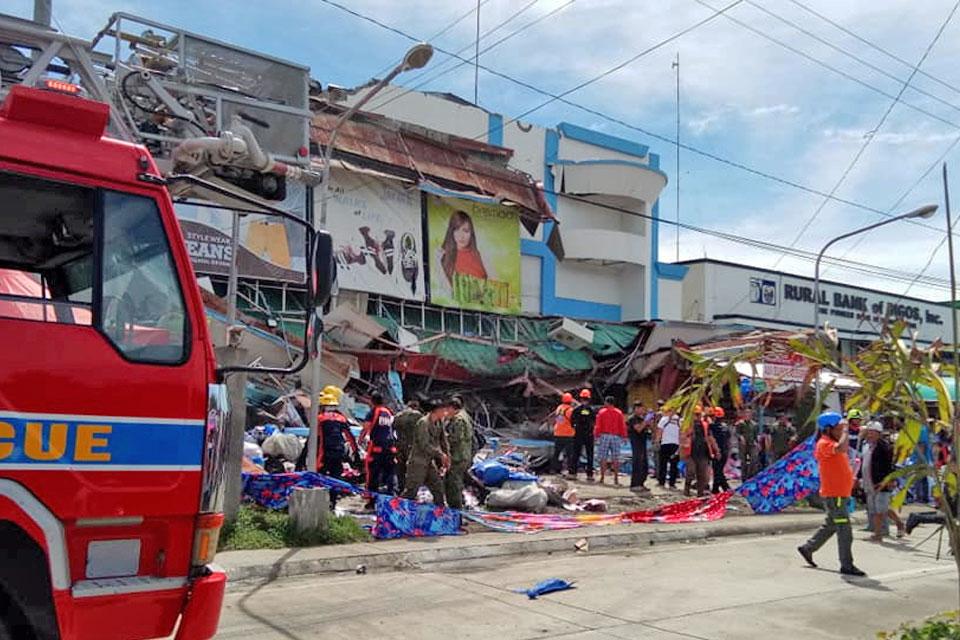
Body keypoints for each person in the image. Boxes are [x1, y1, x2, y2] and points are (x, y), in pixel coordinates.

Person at [797, 412, 866, 577]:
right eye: (839, 428)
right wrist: (847, 431)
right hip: (835, 496)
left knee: (831, 525)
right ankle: (847, 565)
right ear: (828, 429)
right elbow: (842, 447)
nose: (841, 431)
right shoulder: (824, 443)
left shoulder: (830, 442)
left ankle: (808, 548)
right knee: (845, 530)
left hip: (840, 494)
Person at [402, 397, 453, 506]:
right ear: (437, 410)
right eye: (443, 410)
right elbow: (424, 444)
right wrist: (440, 454)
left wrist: (447, 456)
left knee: (438, 488)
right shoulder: (423, 423)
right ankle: (399, 513)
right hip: (418, 462)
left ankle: (441, 513)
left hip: (429, 462)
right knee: (411, 491)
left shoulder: (439, 422)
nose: (445, 413)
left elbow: (443, 440)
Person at [313, 392, 358, 509]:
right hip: (339, 453)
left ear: (323, 406)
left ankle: (319, 502)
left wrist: (303, 459)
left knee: (320, 477)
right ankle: (332, 502)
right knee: (335, 477)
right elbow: (350, 437)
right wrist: (356, 453)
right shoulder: (341, 418)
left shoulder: (320, 418)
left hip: (324, 454)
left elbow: (314, 438)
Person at [861, 421, 905, 541]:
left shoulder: (885, 448)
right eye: (868, 432)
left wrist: (889, 480)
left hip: (882, 482)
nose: (870, 435)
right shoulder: (866, 446)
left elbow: (890, 466)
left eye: (872, 432)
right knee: (879, 509)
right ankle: (899, 523)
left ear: (879, 434)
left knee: (880, 510)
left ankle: (878, 534)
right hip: (869, 482)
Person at [360, 392, 397, 507]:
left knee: (372, 475)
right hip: (390, 448)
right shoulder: (389, 412)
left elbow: (366, 427)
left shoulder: (373, 412)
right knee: (390, 474)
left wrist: (360, 440)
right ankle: (392, 499)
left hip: (377, 449)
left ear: (372, 401)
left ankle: (371, 500)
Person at [440, 210, 487, 286]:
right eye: (457, 230)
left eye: (466, 231)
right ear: (451, 232)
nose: (461, 236)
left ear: (471, 233)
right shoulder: (443, 255)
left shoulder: (478, 255)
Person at [444, 396, 474, 509]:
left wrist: (444, 438)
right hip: (463, 455)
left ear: (453, 408)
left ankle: (456, 509)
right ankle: (459, 503)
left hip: (458, 456)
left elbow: (456, 438)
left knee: (453, 483)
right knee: (457, 481)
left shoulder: (458, 419)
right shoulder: (464, 416)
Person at [686, 406, 718, 498]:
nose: (697, 416)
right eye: (696, 414)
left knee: (702, 474)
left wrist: (716, 450)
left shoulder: (705, 425)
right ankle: (686, 489)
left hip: (703, 452)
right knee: (690, 472)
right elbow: (683, 436)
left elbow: (710, 437)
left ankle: (700, 494)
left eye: (699, 414)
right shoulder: (687, 425)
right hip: (691, 452)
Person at [595, 396, 628, 485]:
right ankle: (616, 478)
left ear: (607, 402)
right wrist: (624, 436)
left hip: (604, 435)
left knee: (603, 457)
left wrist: (596, 436)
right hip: (616, 436)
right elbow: (622, 426)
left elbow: (598, 425)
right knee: (616, 457)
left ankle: (602, 477)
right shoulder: (619, 413)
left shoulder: (602, 412)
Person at [392, 400, 423, 490]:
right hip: (412, 447)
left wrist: (395, 443)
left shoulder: (398, 416)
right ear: (416, 406)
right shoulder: (418, 415)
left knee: (400, 468)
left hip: (399, 445)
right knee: (412, 469)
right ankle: (410, 489)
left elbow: (391, 430)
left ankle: (400, 488)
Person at [570, 389, 597, 480]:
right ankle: (589, 474)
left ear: (581, 399)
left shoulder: (576, 410)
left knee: (576, 453)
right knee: (590, 454)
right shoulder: (592, 410)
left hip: (579, 434)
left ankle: (573, 473)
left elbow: (572, 422)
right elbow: (595, 422)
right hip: (589, 434)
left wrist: (576, 427)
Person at [627, 401, 653, 491]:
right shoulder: (632, 419)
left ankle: (641, 483)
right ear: (636, 409)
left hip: (643, 443)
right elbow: (638, 429)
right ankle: (635, 484)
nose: (642, 410)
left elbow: (650, 428)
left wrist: (650, 420)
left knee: (644, 464)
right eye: (640, 408)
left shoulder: (642, 419)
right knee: (637, 462)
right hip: (636, 443)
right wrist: (646, 421)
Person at [551, 393, 576, 475]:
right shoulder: (570, 410)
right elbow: (573, 421)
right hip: (568, 434)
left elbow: (558, 419)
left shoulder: (559, 408)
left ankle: (554, 469)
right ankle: (570, 470)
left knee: (557, 453)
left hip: (557, 433)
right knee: (569, 454)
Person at [656, 408, 681, 488]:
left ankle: (661, 482)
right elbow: (682, 433)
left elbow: (659, 431)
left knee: (663, 464)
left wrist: (657, 441)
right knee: (674, 464)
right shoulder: (680, 421)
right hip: (676, 445)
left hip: (665, 444)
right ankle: (672, 483)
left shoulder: (664, 419)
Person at [710, 406, 732, 493]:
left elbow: (710, 438)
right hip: (725, 451)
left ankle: (724, 488)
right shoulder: (726, 427)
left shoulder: (712, 426)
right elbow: (729, 440)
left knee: (717, 470)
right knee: (718, 470)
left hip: (717, 451)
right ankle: (717, 488)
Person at [735, 409, 759, 480]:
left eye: (749, 414)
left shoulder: (754, 424)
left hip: (752, 444)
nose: (747, 415)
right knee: (743, 462)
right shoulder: (740, 424)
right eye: (746, 414)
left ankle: (751, 476)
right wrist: (741, 437)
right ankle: (744, 478)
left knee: (754, 460)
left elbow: (756, 435)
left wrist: (757, 442)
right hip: (743, 445)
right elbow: (737, 433)